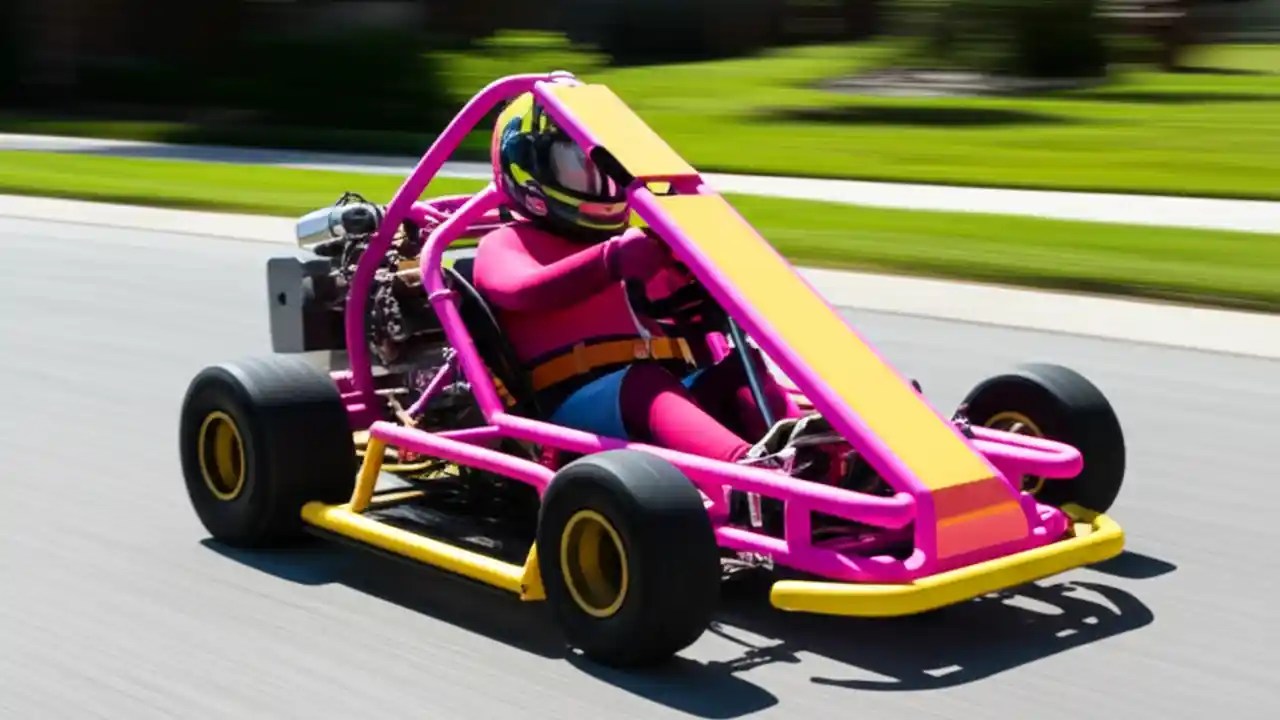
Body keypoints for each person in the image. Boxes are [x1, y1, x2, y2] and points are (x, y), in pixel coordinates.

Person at [471, 92, 827, 467]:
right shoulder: (507, 242)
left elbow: (679, 310)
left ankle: (810, 453)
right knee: (644, 383)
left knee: (741, 369)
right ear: (529, 169)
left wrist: (705, 289)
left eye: (607, 168)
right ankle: (749, 474)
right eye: (577, 164)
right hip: (575, 406)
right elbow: (520, 290)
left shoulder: (638, 247)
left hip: (666, 392)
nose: (601, 182)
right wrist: (609, 261)